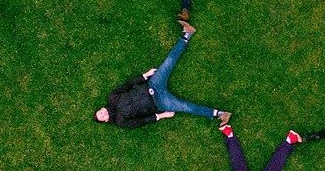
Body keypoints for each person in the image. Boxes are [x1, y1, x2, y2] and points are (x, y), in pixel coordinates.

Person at [94, 20, 231, 128]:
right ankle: (220, 114)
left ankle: (187, 33)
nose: (102, 112)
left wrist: (145, 75)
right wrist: (163, 115)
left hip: (152, 84)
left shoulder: (113, 97)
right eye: (101, 116)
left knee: (168, 62)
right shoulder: (121, 122)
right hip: (159, 102)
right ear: (105, 120)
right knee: (186, 107)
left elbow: (128, 84)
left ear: (102, 108)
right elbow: (143, 121)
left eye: (100, 111)